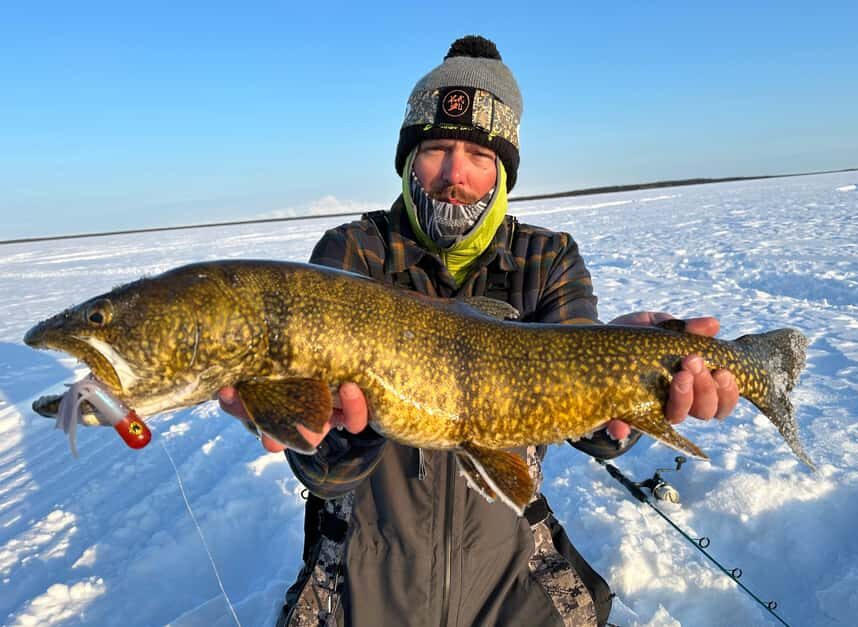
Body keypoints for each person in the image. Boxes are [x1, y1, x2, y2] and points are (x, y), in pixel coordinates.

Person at [219, 35, 740, 626]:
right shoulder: (353, 254)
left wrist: (641, 376)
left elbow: (597, 431)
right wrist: (333, 428)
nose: (455, 176)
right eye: (437, 149)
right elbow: (323, 470)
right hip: (367, 561)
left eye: (479, 156)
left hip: (512, 561)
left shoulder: (547, 258)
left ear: (504, 170)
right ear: (408, 157)